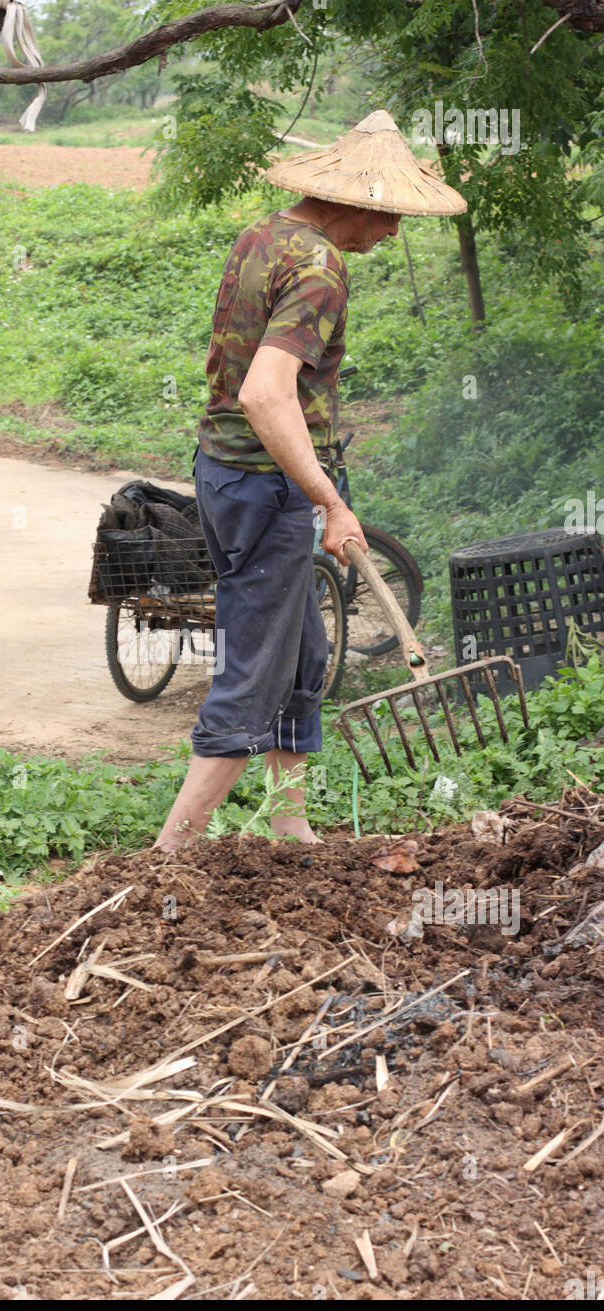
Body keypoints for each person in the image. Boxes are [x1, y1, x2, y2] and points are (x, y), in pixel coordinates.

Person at [155, 110, 466, 851]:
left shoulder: (264, 235)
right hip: (269, 484)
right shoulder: (322, 267)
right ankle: (169, 854)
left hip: (228, 471)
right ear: (354, 200)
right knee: (256, 664)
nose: (390, 233)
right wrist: (327, 498)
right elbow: (266, 392)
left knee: (303, 655)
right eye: (388, 214)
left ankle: (290, 827)